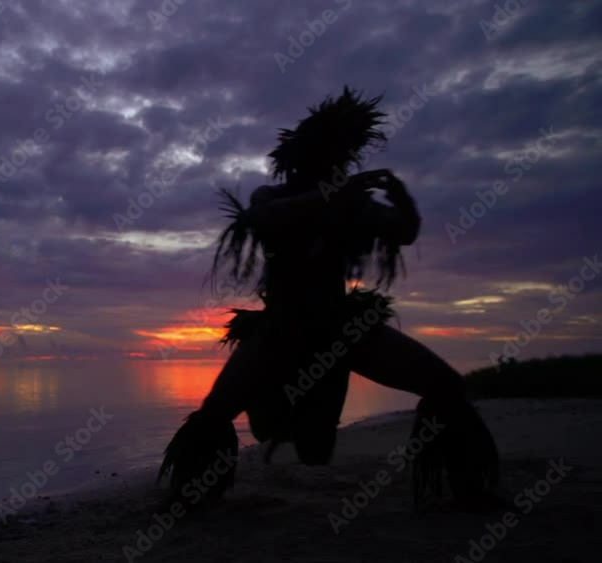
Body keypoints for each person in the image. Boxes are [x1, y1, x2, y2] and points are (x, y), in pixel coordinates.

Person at [159, 87, 499, 509]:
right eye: (329, 158)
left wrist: (402, 198)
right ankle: (189, 496)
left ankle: (471, 489)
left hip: (342, 326)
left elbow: (404, 232)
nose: (338, 166)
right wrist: (336, 194)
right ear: (302, 160)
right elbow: (261, 217)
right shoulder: (273, 196)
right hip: (282, 327)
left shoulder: (351, 205)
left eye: (340, 159)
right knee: (215, 410)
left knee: (446, 386)